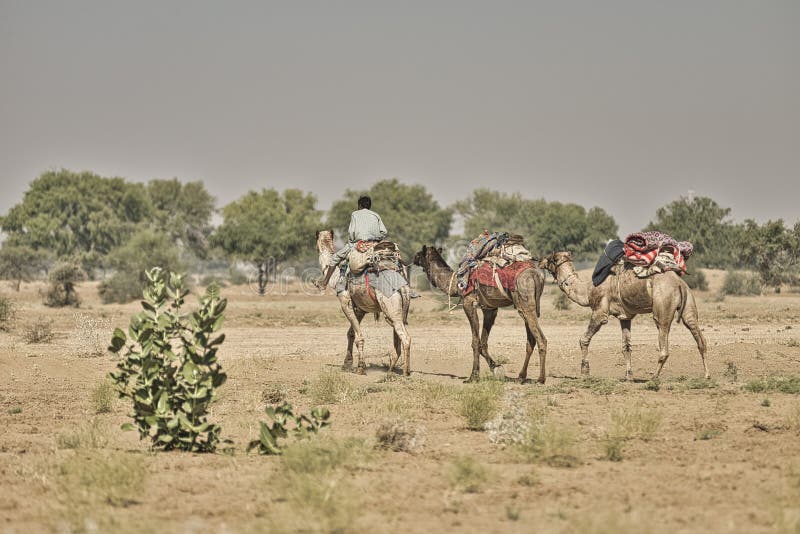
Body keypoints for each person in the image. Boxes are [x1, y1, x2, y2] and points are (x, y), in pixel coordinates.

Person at [315, 195, 388, 290]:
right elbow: (384, 232)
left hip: (358, 244)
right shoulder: (376, 215)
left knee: (334, 259)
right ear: (369, 206)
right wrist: (376, 239)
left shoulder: (355, 214)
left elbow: (351, 232)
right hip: (375, 244)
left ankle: (324, 283)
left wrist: (352, 241)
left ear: (360, 205)